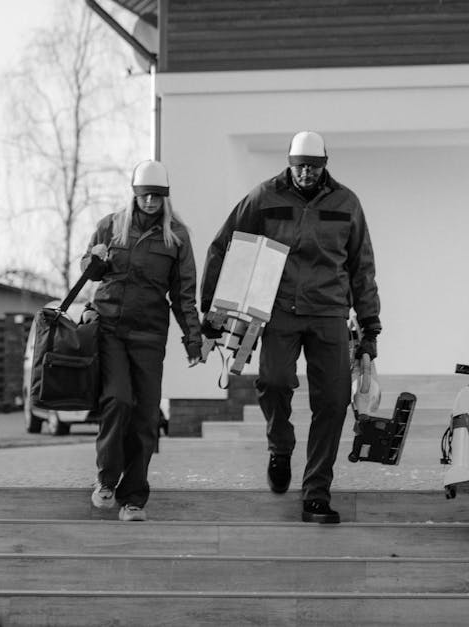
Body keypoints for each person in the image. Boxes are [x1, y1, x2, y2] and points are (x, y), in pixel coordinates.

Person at [201, 131, 381, 524]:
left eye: (313, 167)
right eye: (299, 166)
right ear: (289, 162)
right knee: (275, 381)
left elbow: (362, 266)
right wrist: (211, 309)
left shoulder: (346, 202)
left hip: (330, 313)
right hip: (279, 309)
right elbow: (224, 246)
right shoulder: (263, 197)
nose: (305, 173)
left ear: (324, 165)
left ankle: (316, 492)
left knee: (332, 403)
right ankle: (280, 446)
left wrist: (370, 327)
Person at [81, 159, 203, 522]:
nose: (150, 201)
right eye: (144, 195)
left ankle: (133, 498)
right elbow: (89, 271)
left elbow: (184, 293)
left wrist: (193, 340)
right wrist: (95, 259)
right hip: (111, 329)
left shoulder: (177, 235)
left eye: (157, 195)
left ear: (165, 197)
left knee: (146, 416)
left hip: (150, 333)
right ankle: (106, 479)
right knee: (117, 400)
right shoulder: (111, 225)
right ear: (134, 194)